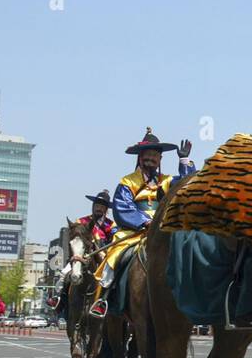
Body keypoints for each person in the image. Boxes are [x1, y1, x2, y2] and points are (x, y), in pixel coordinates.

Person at [90, 129, 194, 318]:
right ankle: (103, 299)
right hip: (136, 231)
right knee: (115, 257)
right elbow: (123, 208)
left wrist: (184, 161)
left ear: (160, 159)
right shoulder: (128, 182)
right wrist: (145, 223)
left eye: (155, 156)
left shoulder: (167, 181)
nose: (151, 159)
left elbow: (187, 185)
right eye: (147, 155)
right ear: (140, 158)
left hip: (163, 228)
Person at [47, 190, 116, 311]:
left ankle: (105, 304)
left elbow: (113, 242)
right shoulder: (81, 222)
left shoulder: (111, 225)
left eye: (102, 206)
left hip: (103, 257)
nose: (98, 208)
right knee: (64, 274)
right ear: (93, 206)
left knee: (112, 278)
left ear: (106, 209)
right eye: (97, 205)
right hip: (81, 256)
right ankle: (59, 299)